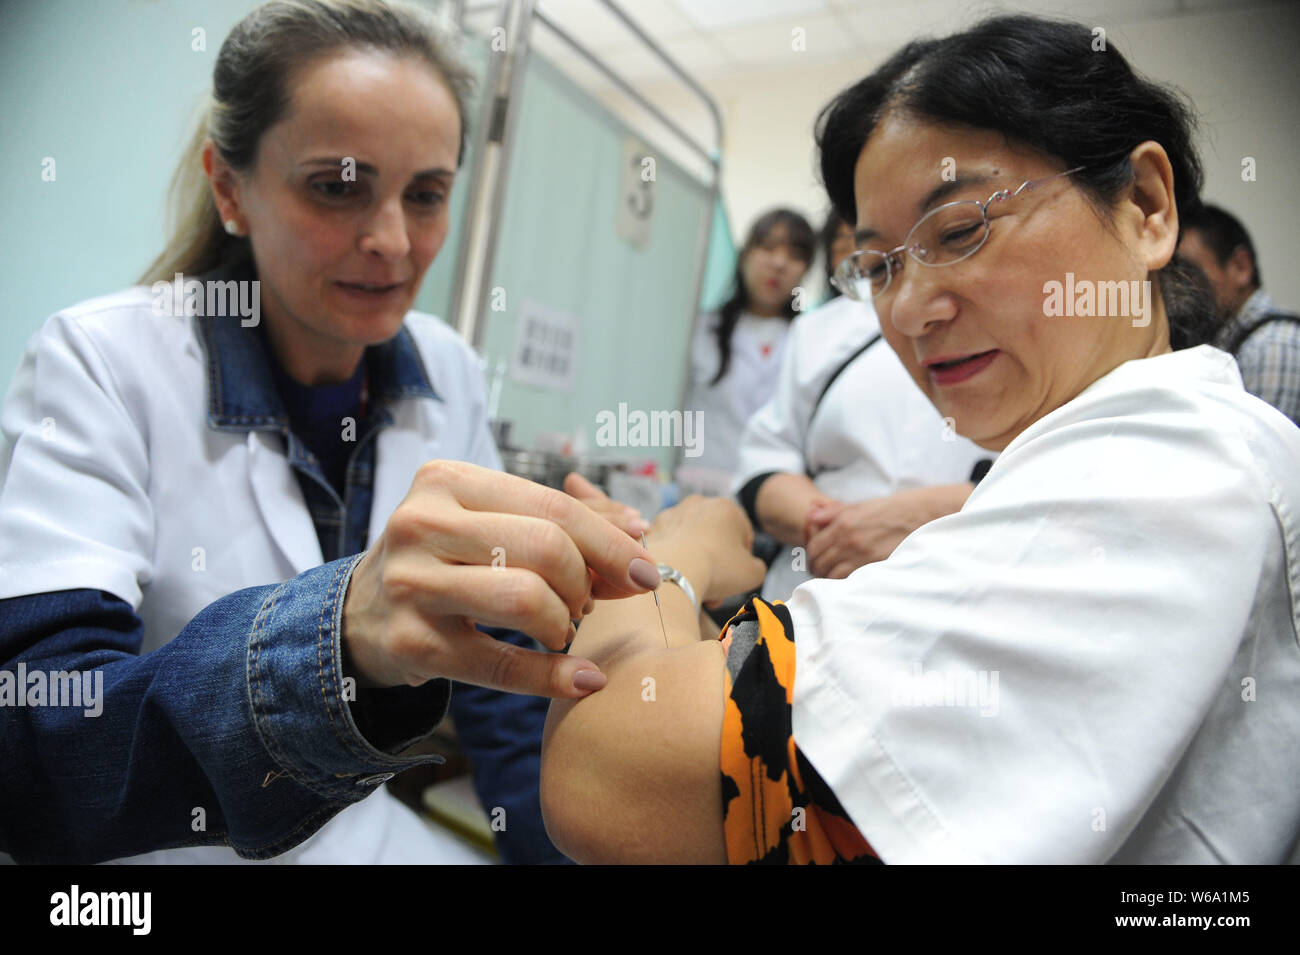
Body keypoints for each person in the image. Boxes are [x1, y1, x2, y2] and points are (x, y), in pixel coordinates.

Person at [538, 15, 1300, 864]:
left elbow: (603, 776)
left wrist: (663, 568)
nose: (907, 309)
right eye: (879, 266)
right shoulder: (1128, 447)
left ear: (1146, 207)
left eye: (962, 230)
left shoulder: (1157, 474)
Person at [0, 0, 659, 865]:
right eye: (337, 185)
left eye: (425, 195)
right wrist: (338, 638)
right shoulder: (102, 360)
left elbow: (499, 680)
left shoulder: (447, 372)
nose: (390, 241)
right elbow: (37, 747)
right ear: (230, 188)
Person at [733, 209, 991, 601]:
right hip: (810, 595)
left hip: (954, 594)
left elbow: (1046, 477)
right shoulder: (820, 330)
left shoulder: (1006, 321)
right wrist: (842, 531)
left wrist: (914, 522)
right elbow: (766, 461)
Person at [681, 209, 814, 492]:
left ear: (806, 269)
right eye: (767, 247)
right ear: (744, 256)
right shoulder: (701, 330)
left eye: (794, 254)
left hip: (770, 502)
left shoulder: (811, 341)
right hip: (697, 490)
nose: (779, 263)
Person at [1178, 203, 1300, 425]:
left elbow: (1260, 455)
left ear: (1241, 266)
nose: (1180, 288)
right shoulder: (1224, 339)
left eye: (1189, 272)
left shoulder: (1271, 345)